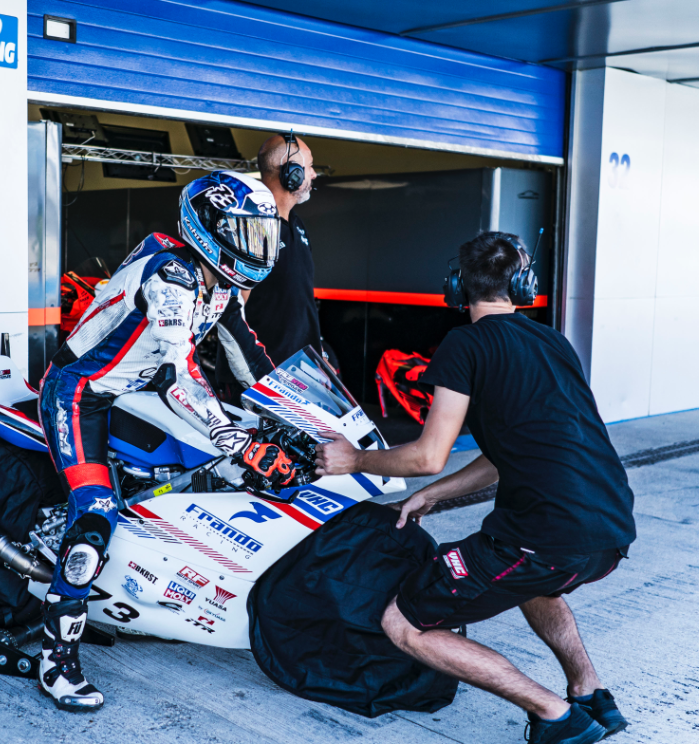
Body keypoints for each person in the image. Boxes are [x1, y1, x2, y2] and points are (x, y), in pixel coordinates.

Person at [314, 232, 636, 744]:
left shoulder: (464, 344)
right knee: (536, 586)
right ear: (522, 285)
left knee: (405, 626)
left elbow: (426, 454)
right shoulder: (552, 340)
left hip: (544, 537)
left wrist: (352, 458)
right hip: (610, 528)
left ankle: (557, 716)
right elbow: (509, 451)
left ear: (456, 286)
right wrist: (437, 493)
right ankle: (589, 693)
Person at [37, 170, 299, 711]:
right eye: (245, 233)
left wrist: (293, 414)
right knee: (95, 513)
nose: (256, 248)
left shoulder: (218, 283)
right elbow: (181, 373)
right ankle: (56, 657)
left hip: (138, 387)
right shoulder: (171, 274)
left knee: (206, 472)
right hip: (81, 393)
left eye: (261, 235)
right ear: (208, 227)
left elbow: (247, 356)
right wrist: (235, 436)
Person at [215, 132, 320, 403]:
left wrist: (319, 361)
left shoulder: (295, 224)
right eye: (309, 167)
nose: (315, 175)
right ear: (291, 174)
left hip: (299, 375)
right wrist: (256, 373)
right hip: (259, 379)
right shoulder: (254, 226)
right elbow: (230, 310)